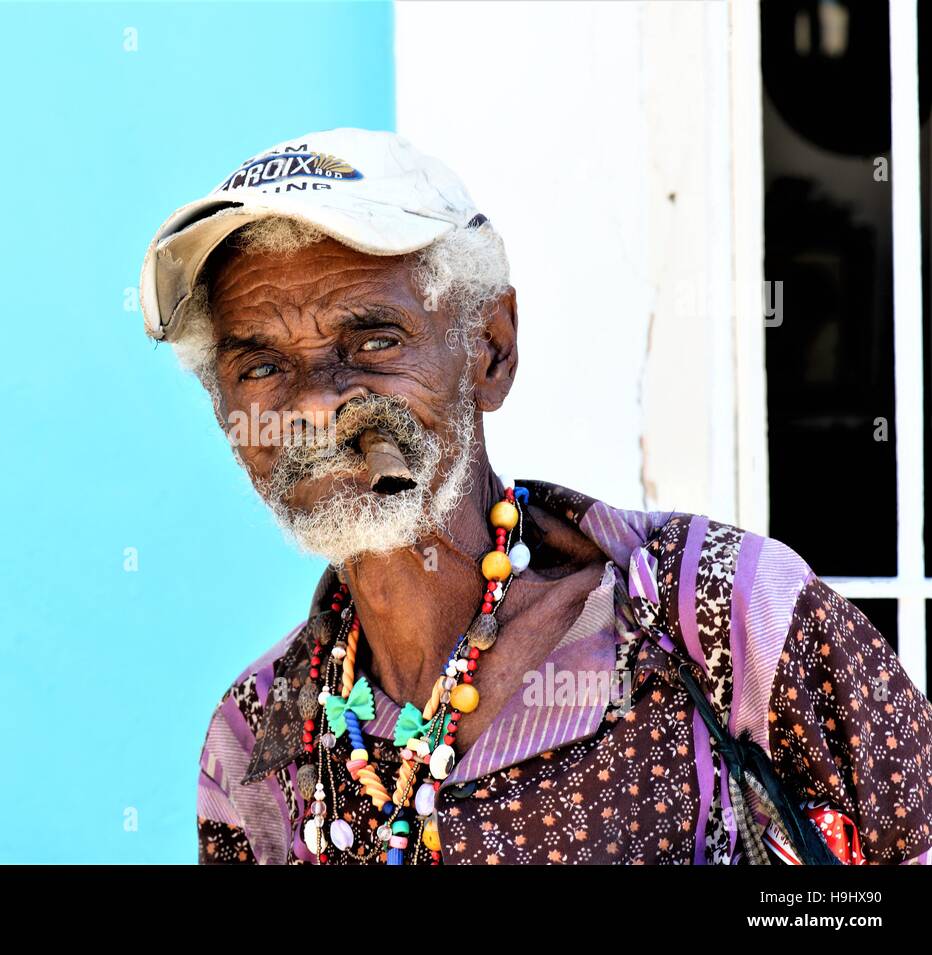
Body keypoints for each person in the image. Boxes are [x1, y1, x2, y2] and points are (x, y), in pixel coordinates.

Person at [138, 128, 932, 865]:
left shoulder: (713, 610)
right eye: (262, 367)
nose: (316, 402)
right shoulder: (260, 736)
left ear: (490, 349)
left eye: (373, 340)